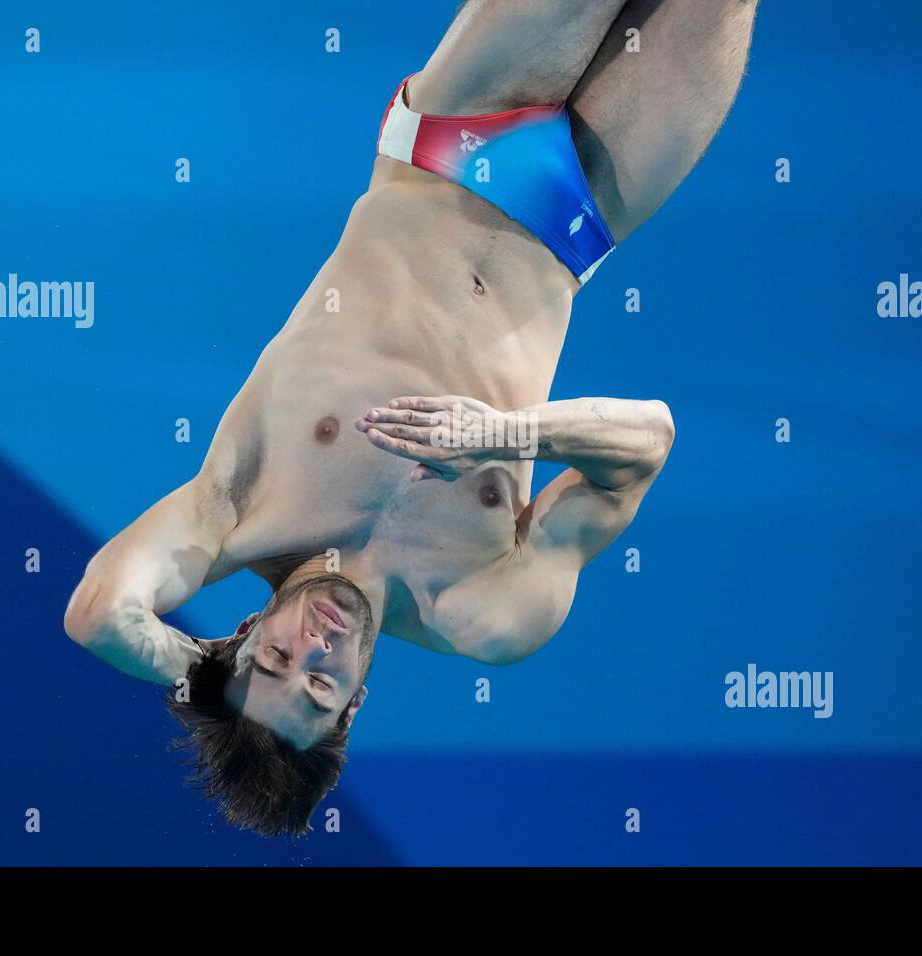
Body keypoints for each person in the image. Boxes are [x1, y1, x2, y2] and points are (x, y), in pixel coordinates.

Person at [64, 0, 758, 836]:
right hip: (583, 217)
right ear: (355, 704)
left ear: (245, 634)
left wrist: (208, 677)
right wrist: (506, 433)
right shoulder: (485, 614)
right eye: (320, 685)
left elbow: (99, 615)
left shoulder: (232, 511)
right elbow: (650, 439)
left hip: (451, 141)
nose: (313, 647)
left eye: (276, 658)